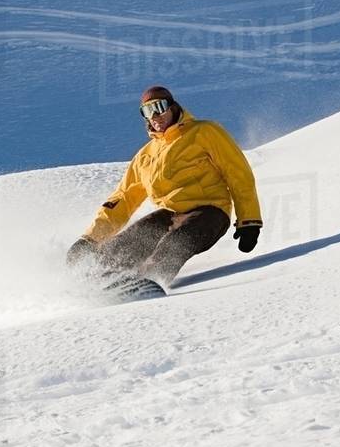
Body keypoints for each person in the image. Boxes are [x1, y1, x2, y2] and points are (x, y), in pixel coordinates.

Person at [66, 85, 262, 293]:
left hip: (209, 211)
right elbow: (123, 199)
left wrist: (249, 221)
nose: (155, 116)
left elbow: (237, 173)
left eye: (159, 107)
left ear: (172, 107)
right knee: (120, 248)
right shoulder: (145, 156)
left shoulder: (204, 132)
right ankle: (94, 284)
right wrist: (91, 238)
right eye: (147, 112)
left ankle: (146, 283)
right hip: (169, 214)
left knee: (173, 244)